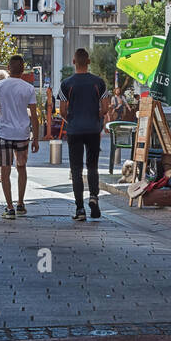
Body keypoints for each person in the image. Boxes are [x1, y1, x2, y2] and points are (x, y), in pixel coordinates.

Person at [59, 48, 109, 222]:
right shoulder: (99, 82)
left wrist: (71, 119)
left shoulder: (66, 84)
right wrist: (97, 117)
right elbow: (105, 108)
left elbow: (63, 110)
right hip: (93, 129)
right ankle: (94, 196)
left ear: (74, 62)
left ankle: (80, 208)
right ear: (88, 62)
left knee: (76, 169)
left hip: (74, 130)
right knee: (92, 165)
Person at [0, 55, 40, 218]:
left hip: (4, 132)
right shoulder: (28, 88)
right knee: (21, 167)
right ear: (23, 68)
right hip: (22, 133)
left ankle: (9, 207)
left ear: (8, 68)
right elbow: (34, 115)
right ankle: (20, 203)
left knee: (5, 170)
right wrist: (36, 138)